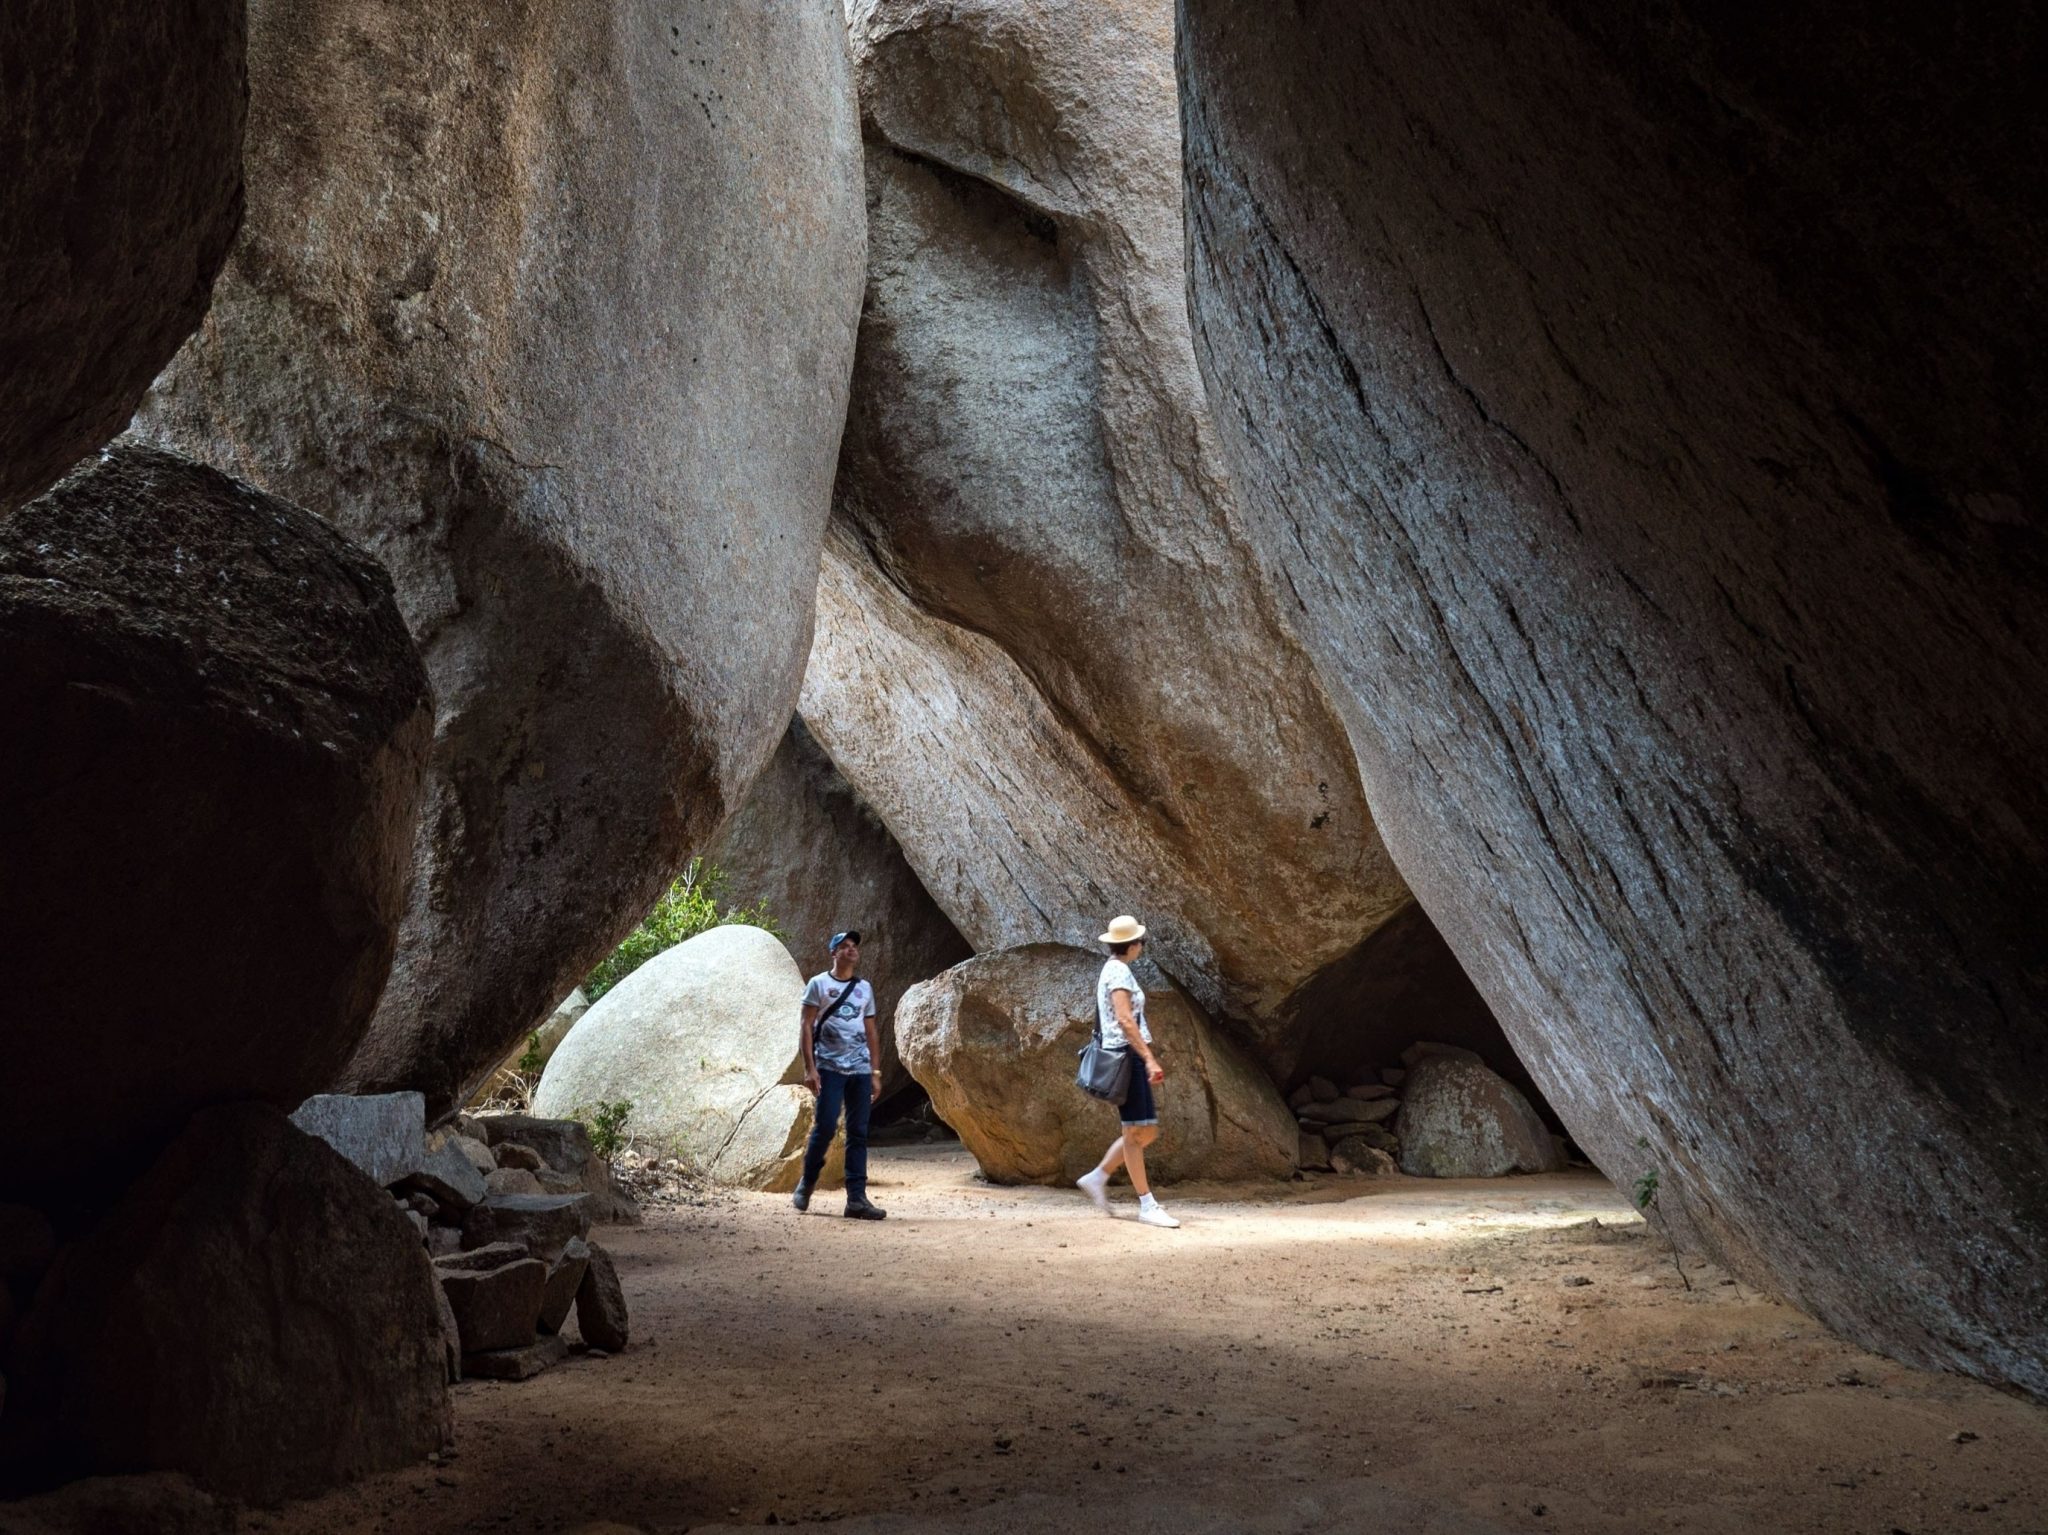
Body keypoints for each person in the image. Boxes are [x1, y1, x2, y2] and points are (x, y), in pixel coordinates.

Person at [1075, 915, 1179, 1228]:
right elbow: (1125, 1019)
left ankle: (1098, 1176)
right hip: (1126, 1055)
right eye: (1140, 942)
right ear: (1132, 945)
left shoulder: (1114, 968)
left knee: (1145, 1130)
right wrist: (1148, 1058)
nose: (1141, 947)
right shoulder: (1119, 971)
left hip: (1127, 1054)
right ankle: (1147, 1204)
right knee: (1136, 1131)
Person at [793, 929, 887, 1220]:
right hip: (829, 1067)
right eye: (844, 946)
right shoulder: (818, 985)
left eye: (854, 945)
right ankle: (808, 1181)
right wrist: (809, 1068)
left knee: (858, 1132)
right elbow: (806, 1026)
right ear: (833, 953)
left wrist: (875, 1071)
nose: (851, 949)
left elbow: (870, 1030)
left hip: (859, 1069)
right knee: (825, 1127)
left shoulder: (864, 988)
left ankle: (856, 1199)